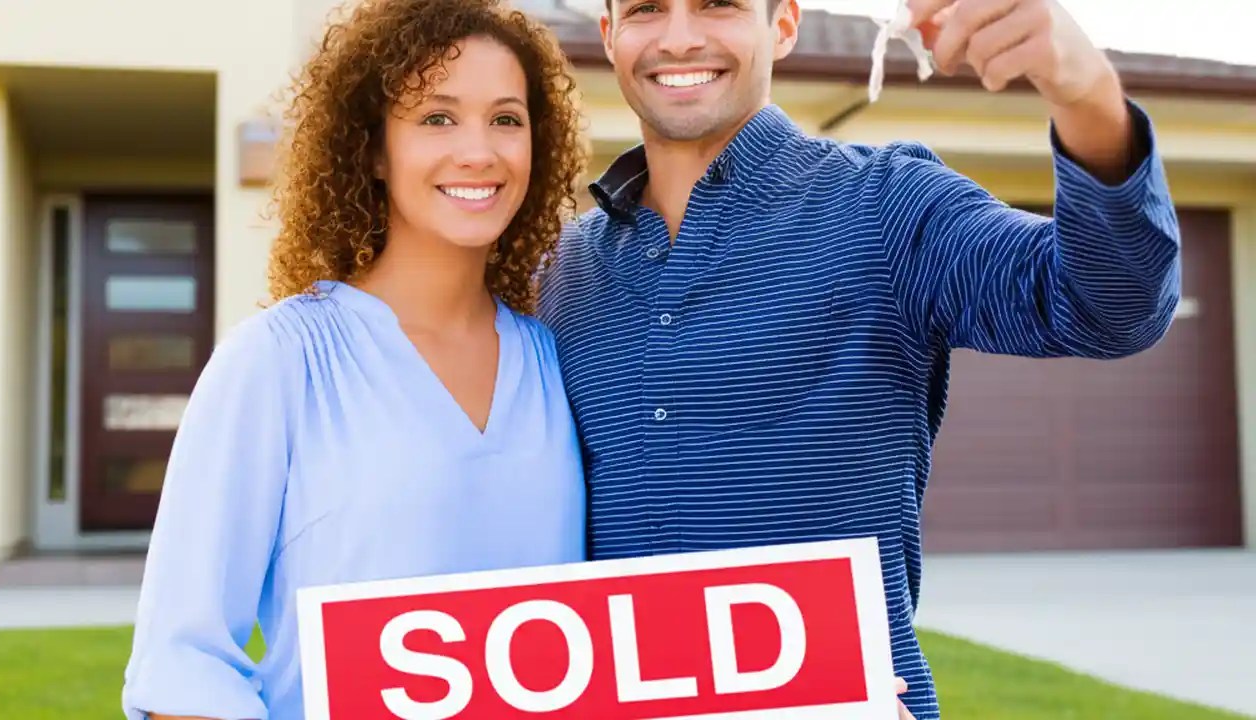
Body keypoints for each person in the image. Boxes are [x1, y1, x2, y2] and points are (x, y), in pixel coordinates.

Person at [535, 0, 1181, 718]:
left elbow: (1107, 307)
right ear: (610, 36)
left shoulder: (886, 208)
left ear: (783, 24)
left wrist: (1084, 91)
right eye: (647, 9)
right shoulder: (560, 272)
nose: (680, 38)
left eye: (718, 5)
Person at [120, 0, 589, 717]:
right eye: (437, 117)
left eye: (506, 118)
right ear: (372, 149)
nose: (479, 150)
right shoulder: (278, 361)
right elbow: (182, 663)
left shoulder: (554, 360)